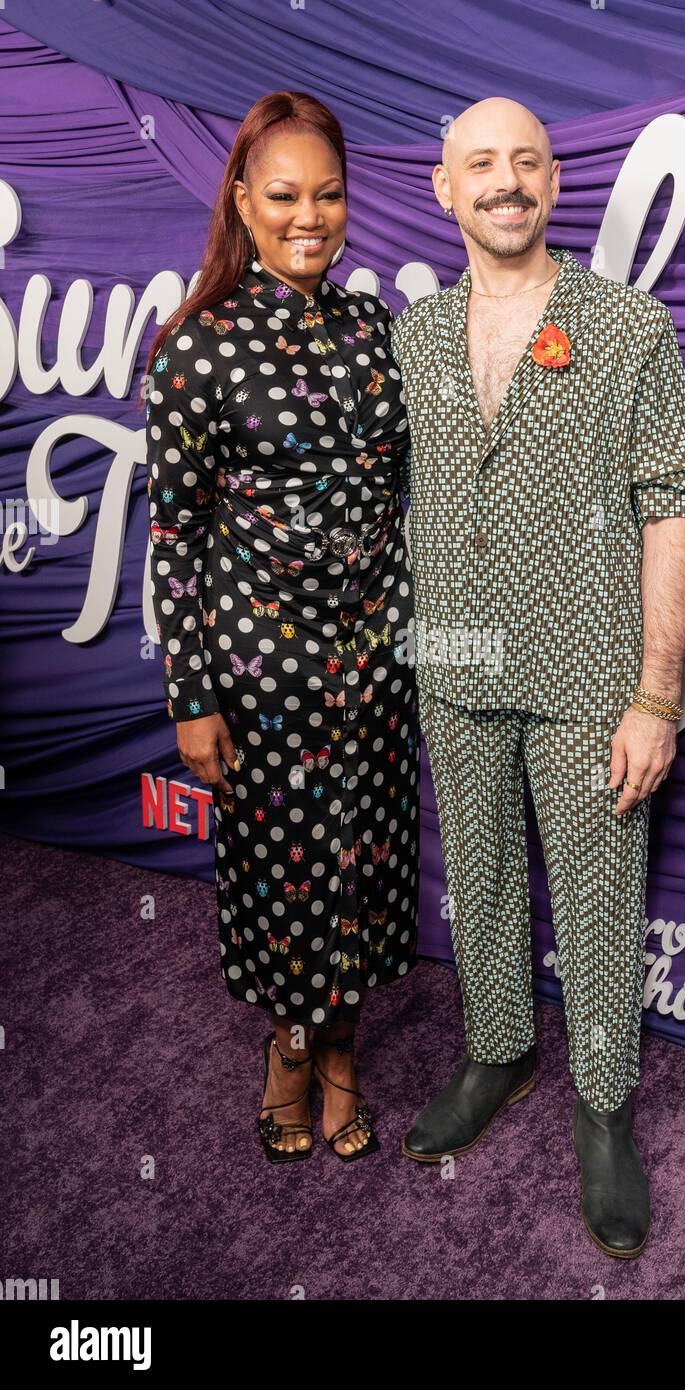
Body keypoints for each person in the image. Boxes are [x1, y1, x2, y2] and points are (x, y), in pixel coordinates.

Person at [388, 97, 685, 1256]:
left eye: (525, 161)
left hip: (588, 671)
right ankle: (498, 1048)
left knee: (598, 900)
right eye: (480, 164)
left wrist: (652, 694)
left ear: (556, 183)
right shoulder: (414, 333)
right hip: (454, 659)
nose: (505, 181)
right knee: (473, 877)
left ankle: (604, 1106)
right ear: (443, 189)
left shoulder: (628, 327)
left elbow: (671, 506)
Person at [144, 92, 419, 1165]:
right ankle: (289, 1057)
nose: (310, 216)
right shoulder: (198, 347)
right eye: (285, 195)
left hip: (375, 660)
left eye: (329, 193)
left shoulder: (371, 329)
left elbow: (412, 487)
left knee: (361, 866)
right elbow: (174, 532)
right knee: (284, 873)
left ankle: (343, 1055)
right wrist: (192, 694)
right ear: (244, 205)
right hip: (262, 672)